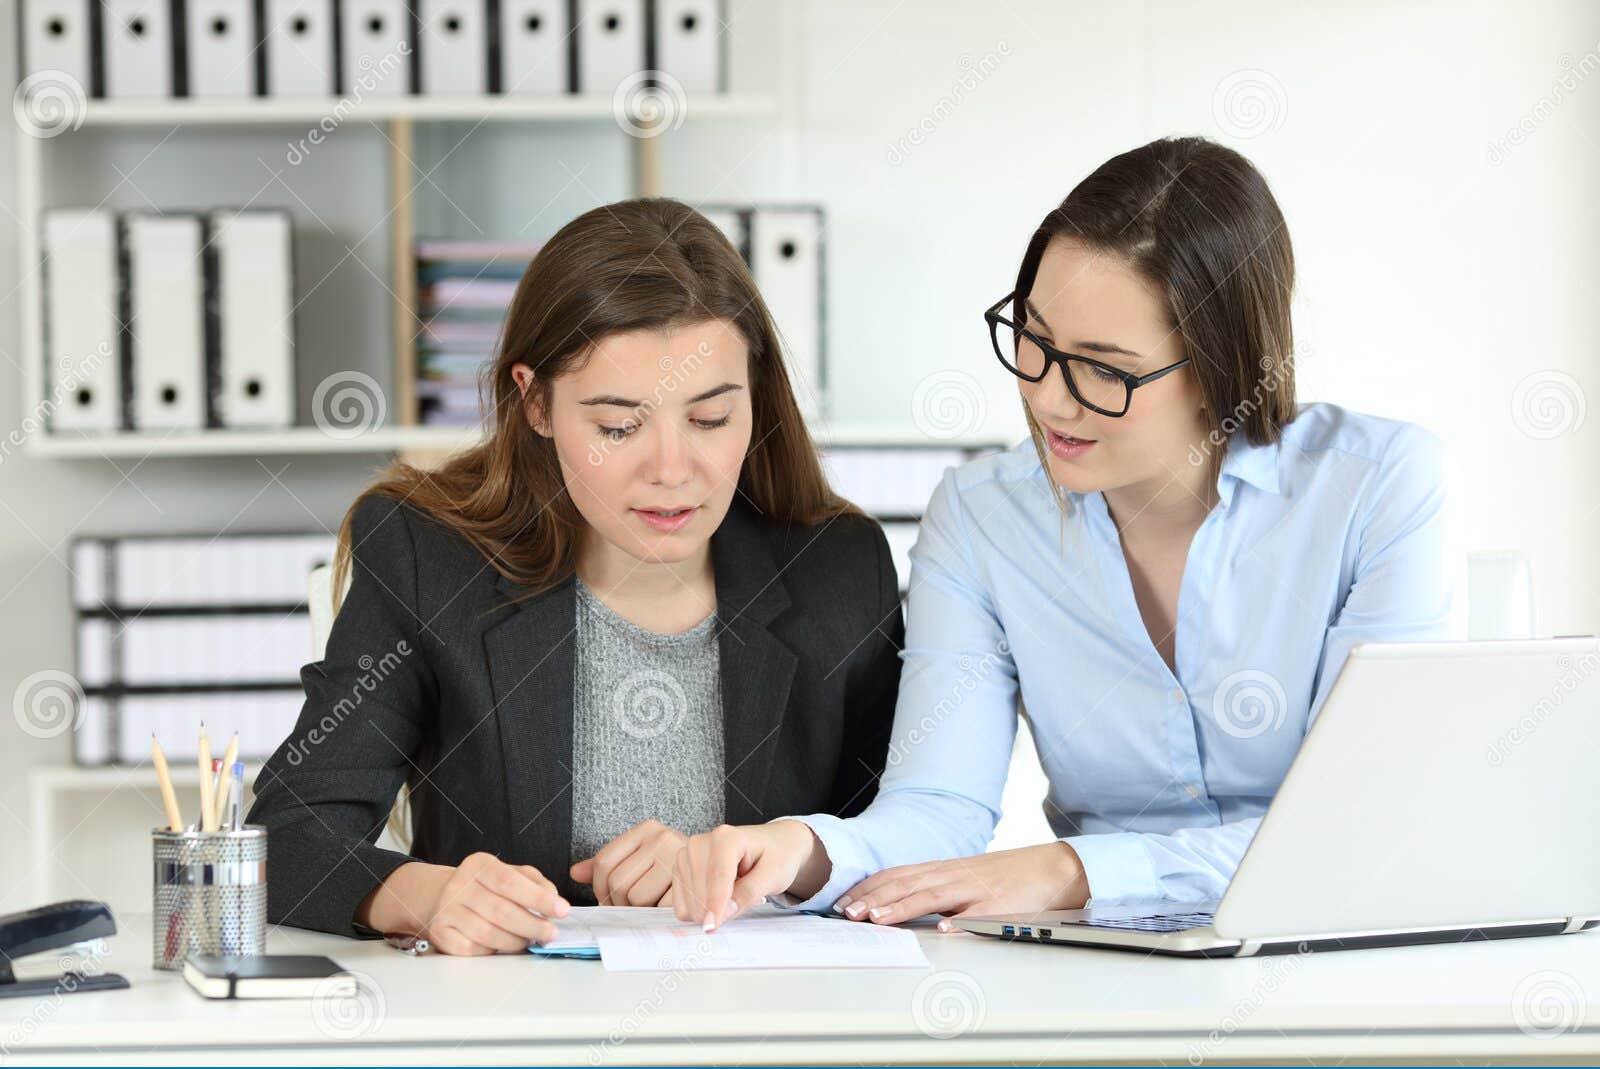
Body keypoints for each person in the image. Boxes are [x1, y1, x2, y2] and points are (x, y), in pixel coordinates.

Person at [669, 136, 1465, 932]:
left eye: (1103, 369)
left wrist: (1073, 868)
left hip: (1346, 950)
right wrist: (798, 848)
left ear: (1223, 364)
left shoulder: (1378, 486)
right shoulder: (983, 516)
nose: (1050, 398)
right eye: (1035, 341)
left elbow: (1360, 828)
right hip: (1109, 963)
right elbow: (939, 804)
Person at [247, 199, 903, 954]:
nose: (671, 470)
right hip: (517, 1040)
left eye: (711, 419)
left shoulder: (838, 569)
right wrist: (426, 893)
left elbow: (909, 842)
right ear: (536, 403)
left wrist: (765, 873)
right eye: (618, 426)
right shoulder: (431, 558)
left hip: (770, 1036)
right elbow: (286, 840)